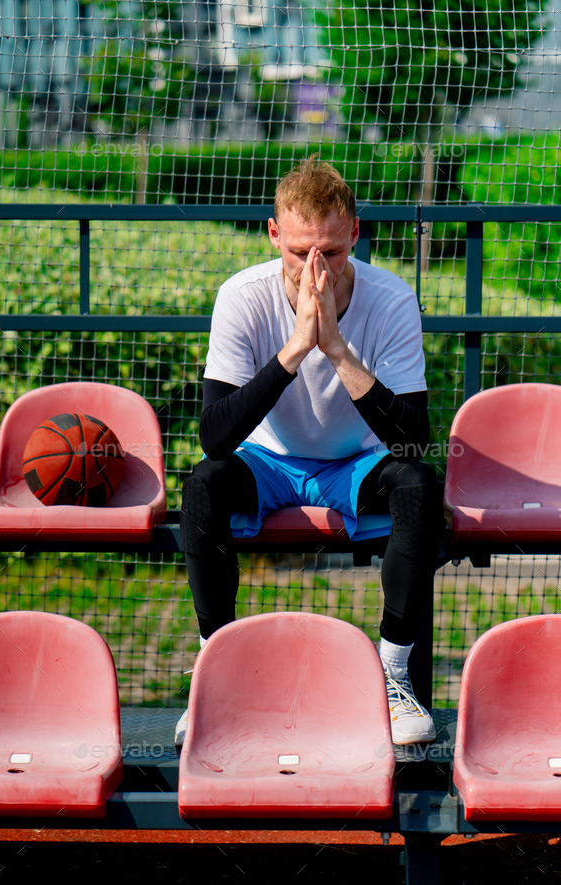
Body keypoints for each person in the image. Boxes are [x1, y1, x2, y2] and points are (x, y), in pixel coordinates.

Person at [178, 156, 441, 748]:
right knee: (203, 485)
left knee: (418, 485)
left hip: (356, 462)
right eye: (299, 252)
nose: (314, 268)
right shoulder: (241, 297)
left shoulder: (392, 299)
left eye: (331, 250)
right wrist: (297, 348)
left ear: (354, 232)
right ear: (274, 234)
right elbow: (216, 436)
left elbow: (411, 438)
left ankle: (392, 677)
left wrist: (339, 351)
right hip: (270, 462)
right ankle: (214, 674)